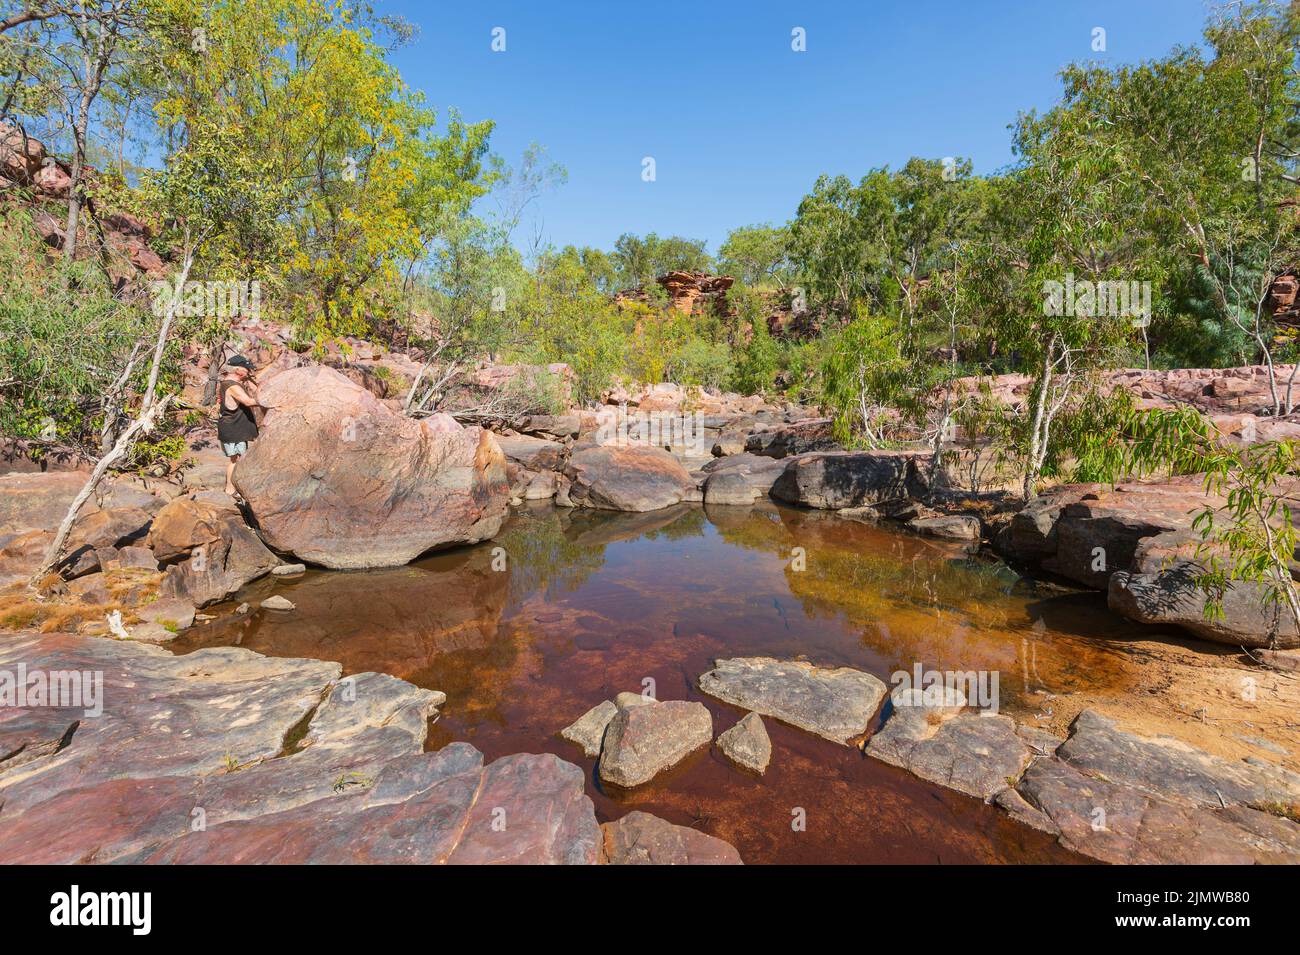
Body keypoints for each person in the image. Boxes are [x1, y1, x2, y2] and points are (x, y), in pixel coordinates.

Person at [217, 355, 267, 497]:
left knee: (238, 458)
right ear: (238, 370)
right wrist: (270, 399)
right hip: (233, 427)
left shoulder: (232, 382)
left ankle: (234, 488)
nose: (248, 372)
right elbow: (248, 402)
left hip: (235, 426)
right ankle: (230, 489)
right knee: (236, 460)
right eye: (246, 369)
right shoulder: (231, 385)